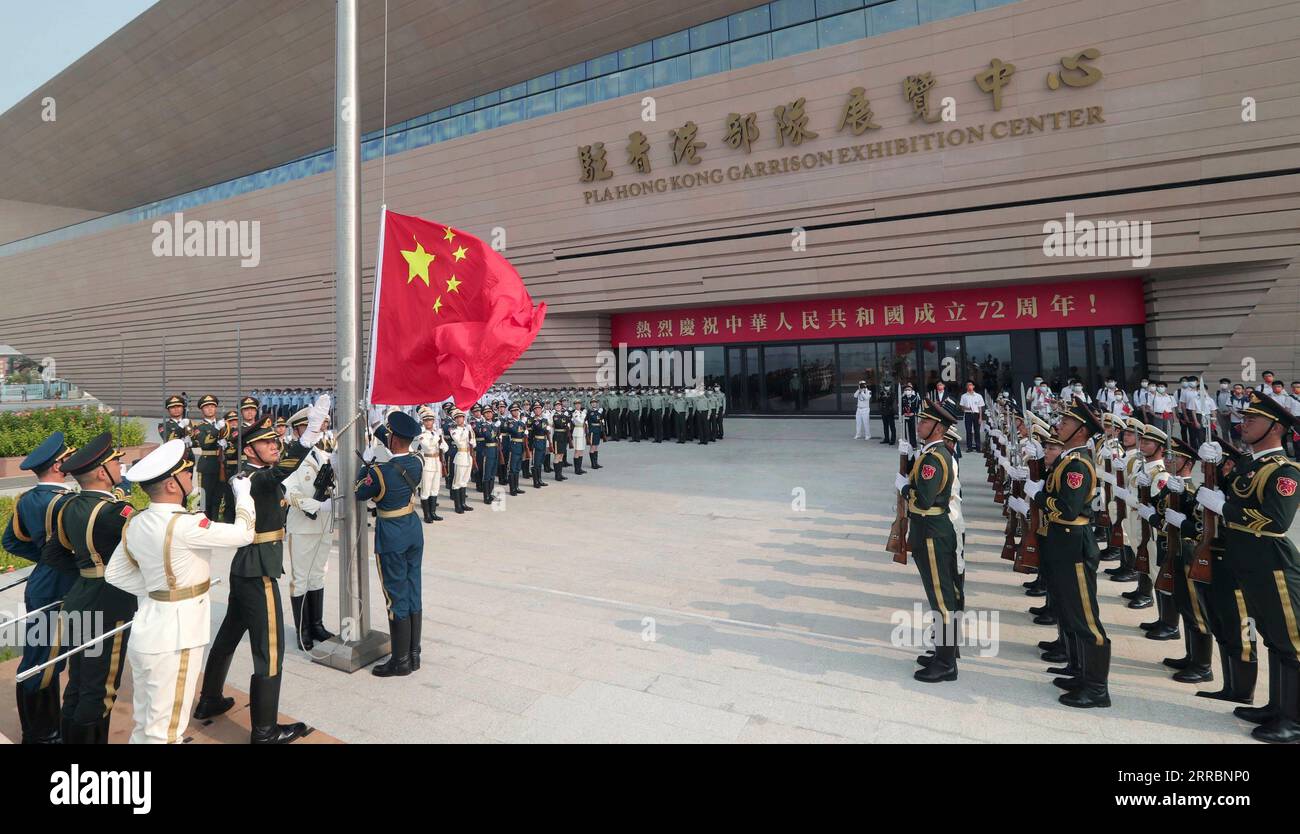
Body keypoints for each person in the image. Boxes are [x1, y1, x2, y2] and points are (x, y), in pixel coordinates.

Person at [193, 397, 328, 745]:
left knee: (227, 636)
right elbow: (281, 472)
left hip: (245, 568)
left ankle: (209, 699)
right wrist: (307, 437)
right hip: (259, 570)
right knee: (270, 650)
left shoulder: (250, 475)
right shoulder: (254, 477)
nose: (274, 445)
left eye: (275, 440)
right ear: (250, 450)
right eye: (267, 442)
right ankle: (265, 732)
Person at [103, 441, 254, 743]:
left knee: (145, 724)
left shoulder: (136, 522)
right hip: (177, 637)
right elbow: (243, 534)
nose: (191, 479)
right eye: (187, 474)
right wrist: (244, 496)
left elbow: (115, 573)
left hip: (147, 631)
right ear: (172, 484)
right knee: (167, 731)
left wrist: (159, 590)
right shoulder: (186, 524)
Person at [1195, 391, 1300, 742]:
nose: (1244, 424)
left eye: (1252, 420)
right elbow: (1234, 492)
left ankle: (1295, 720)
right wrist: (1214, 471)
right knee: (1273, 639)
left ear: (1276, 428)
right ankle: (1277, 706)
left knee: (1291, 643)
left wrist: (1223, 507)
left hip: (1274, 567)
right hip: (1250, 565)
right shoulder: (1250, 464)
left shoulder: (1286, 471)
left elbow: (1276, 520)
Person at [1012, 402, 1110, 708]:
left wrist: (1038, 495)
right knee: (1069, 611)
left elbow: (1067, 508)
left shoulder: (1078, 464)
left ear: (1081, 430)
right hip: (1061, 543)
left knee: (1085, 617)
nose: (1059, 425)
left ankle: (1096, 689)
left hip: (1074, 544)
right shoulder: (1068, 460)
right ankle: (1079, 671)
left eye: (1066, 422)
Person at [47, 432, 136, 743]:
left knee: (79, 681)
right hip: (110, 605)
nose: (120, 469)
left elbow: (53, 554)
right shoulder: (116, 512)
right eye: (116, 464)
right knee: (101, 689)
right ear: (102, 472)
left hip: (78, 599)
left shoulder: (66, 506)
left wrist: (88, 570)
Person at [4, 432, 77, 743]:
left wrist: (46, 560)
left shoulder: (28, 499)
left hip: (42, 583)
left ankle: (42, 729)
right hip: (59, 588)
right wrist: (60, 563)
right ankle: (42, 734)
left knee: (41, 658)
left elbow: (9, 541)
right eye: (68, 458)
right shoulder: (64, 502)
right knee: (44, 663)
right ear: (58, 465)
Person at [893, 399, 962, 683]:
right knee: (940, 597)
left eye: (924, 421)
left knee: (942, 599)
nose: (918, 425)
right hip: (931, 529)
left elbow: (923, 498)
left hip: (932, 531)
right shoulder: (931, 453)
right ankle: (942, 653)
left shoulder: (934, 458)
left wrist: (905, 486)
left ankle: (946, 663)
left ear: (938, 427)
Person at [355, 412, 425, 677]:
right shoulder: (416, 461)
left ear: (394, 438)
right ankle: (414, 653)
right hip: (412, 528)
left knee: (395, 595)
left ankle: (400, 661)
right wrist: (376, 424)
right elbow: (393, 442)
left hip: (392, 534)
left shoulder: (380, 472)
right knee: (413, 589)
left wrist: (366, 466)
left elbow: (359, 491)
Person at [282, 408, 337, 650]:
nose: (314, 431)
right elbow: (289, 493)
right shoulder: (290, 458)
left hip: (323, 526)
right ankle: (302, 629)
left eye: (315, 426)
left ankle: (316, 625)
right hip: (303, 526)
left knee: (318, 575)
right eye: (308, 427)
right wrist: (316, 506)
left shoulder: (322, 454)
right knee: (301, 579)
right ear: (297, 430)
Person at [412, 407, 447, 522]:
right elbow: (427, 447)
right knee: (426, 490)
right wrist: (438, 438)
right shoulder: (422, 434)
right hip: (427, 463)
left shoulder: (436, 433)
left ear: (433, 421)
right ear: (423, 421)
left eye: (430, 420)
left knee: (435, 489)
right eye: (426, 420)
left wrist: (442, 444)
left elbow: (445, 447)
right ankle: (427, 515)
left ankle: (433, 513)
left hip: (437, 463)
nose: (428, 422)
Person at [448, 408, 476, 512]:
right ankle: (457, 506)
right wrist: (467, 431)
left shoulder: (468, 429)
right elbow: (459, 442)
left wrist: (471, 434)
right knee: (457, 482)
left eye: (461, 417)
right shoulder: (454, 430)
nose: (460, 419)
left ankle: (463, 503)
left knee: (464, 481)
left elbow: (473, 442)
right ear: (455, 420)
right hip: (460, 456)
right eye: (458, 418)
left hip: (468, 456)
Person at [526, 402, 551, 490]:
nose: (537, 410)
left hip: (543, 441)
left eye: (539, 409)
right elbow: (529, 431)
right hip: (536, 442)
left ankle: (539, 479)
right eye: (535, 409)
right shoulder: (531, 420)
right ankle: (535, 481)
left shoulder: (544, 419)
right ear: (533, 410)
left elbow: (547, 431)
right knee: (535, 463)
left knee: (540, 462)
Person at [958, 381, 983, 451]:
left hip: (976, 414)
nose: (969, 386)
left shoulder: (978, 396)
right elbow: (961, 407)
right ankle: (969, 447)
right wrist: (967, 408)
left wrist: (980, 418)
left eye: (971, 385)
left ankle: (978, 447)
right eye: (968, 385)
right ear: (966, 387)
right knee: (968, 431)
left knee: (977, 431)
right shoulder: (964, 396)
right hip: (968, 414)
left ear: (973, 386)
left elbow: (980, 407)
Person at [586, 397, 604, 469]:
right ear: (591, 404)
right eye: (592, 403)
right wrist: (599, 413)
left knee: (596, 446)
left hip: (598, 429)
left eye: (595, 403)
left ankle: (596, 463)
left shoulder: (597, 411)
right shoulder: (590, 412)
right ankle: (593, 464)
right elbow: (595, 419)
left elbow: (601, 419)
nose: (594, 404)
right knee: (593, 446)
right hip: (593, 430)